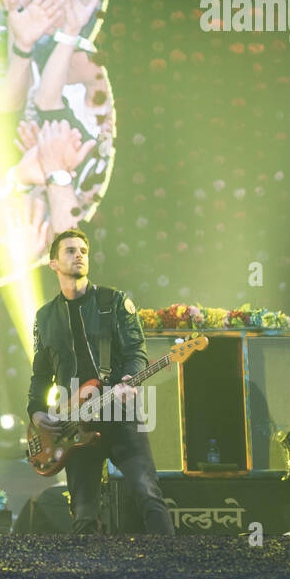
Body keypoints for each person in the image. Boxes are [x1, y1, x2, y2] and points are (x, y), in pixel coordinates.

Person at [27, 228, 173, 535]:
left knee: (148, 495)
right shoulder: (44, 317)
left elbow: (136, 351)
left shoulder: (114, 301)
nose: (78, 254)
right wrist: (36, 411)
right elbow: (41, 374)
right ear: (53, 263)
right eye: (69, 250)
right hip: (73, 423)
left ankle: (171, 567)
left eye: (83, 250)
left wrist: (129, 380)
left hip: (119, 414)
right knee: (83, 514)